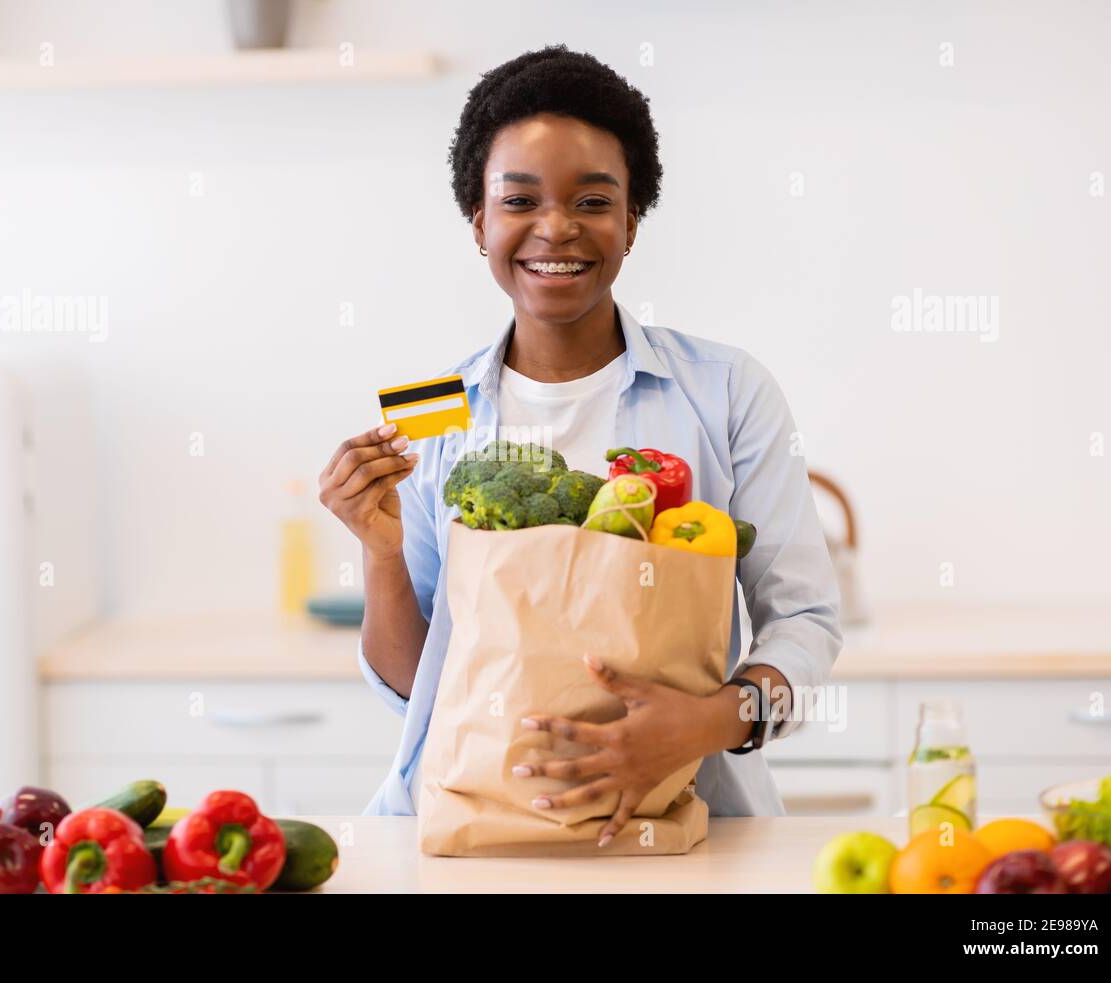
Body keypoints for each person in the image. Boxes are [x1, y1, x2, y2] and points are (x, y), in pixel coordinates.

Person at [318, 45, 842, 841]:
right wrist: (380, 550)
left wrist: (705, 722)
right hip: (473, 829)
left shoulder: (726, 391)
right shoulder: (435, 415)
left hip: (692, 829)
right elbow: (413, 683)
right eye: (520, 199)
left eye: (592, 200)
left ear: (632, 221)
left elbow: (805, 619)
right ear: (479, 222)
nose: (555, 227)